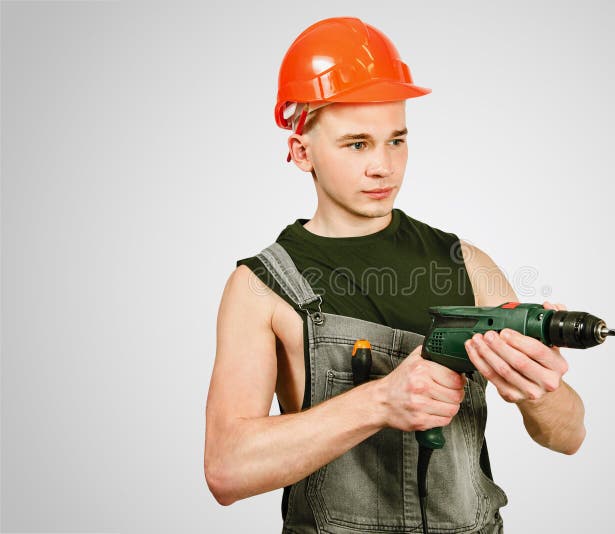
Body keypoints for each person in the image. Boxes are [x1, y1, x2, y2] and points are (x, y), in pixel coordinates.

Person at [204, 16, 585, 533]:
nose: (384, 166)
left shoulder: (466, 263)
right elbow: (227, 470)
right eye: (357, 144)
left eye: (397, 140)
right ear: (301, 151)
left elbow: (568, 437)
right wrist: (380, 401)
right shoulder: (261, 288)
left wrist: (538, 390)